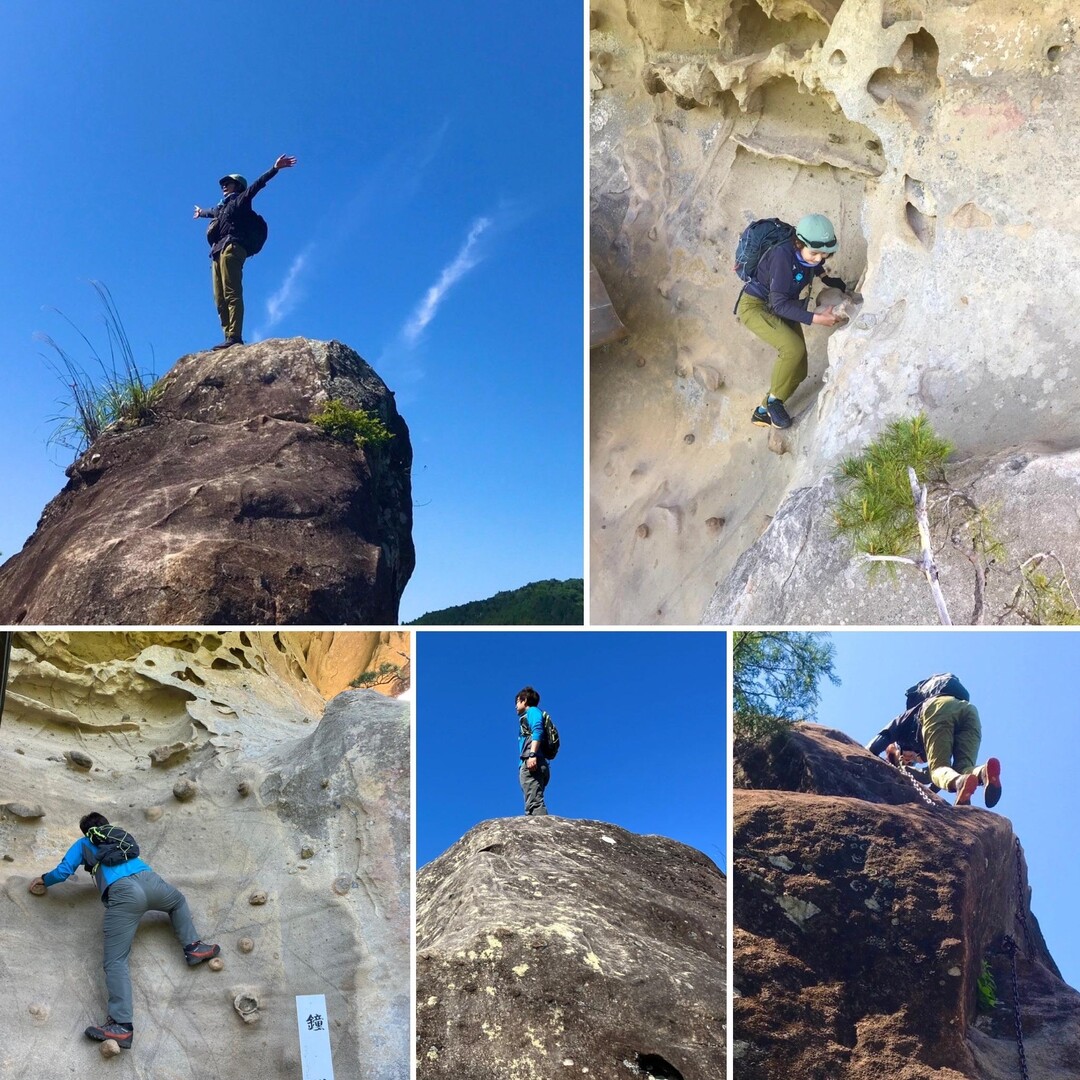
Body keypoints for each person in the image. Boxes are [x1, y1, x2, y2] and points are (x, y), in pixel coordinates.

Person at [29, 812, 220, 1050]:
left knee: (115, 961)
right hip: (151, 881)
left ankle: (121, 1025)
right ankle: (193, 947)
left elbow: (63, 871)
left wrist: (43, 880)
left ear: (85, 831)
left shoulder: (84, 842)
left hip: (123, 894)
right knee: (177, 901)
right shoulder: (118, 836)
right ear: (106, 825)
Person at [735, 213, 847, 430]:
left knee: (799, 369)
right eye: (814, 252)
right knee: (792, 349)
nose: (818, 258)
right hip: (757, 307)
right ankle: (774, 402)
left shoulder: (806, 255)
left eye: (824, 254)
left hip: (784, 305)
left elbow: (811, 264)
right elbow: (778, 305)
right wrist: (815, 318)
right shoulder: (782, 258)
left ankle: (762, 412)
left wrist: (826, 278)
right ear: (798, 243)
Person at [193, 154, 297, 350]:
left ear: (238, 186)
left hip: (232, 248)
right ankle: (228, 337)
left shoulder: (240, 201)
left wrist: (274, 169)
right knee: (219, 298)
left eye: (229, 183)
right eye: (223, 184)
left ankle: (235, 336)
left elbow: (256, 186)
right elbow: (211, 212)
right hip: (216, 252)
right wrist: (200, 213)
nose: (224, 186)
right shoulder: (222, 208)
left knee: (232, 292)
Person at [867, 693, 1002, 807]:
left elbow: (881, 738)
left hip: (936, 708)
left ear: (897, 749)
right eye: (910, 763)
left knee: (939, 768)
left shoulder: (904, 723)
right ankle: (983, 772)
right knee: (962, 768)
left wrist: (864, 752)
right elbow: (932, 776)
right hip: (968, 711)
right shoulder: (924, 751)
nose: (909, 761)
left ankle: (960, 782)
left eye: (904, 759)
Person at [515, 686, 550, 816]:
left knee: (535, 804)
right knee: (531, 802)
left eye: (518, 701)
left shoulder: (533, 711)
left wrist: (532, 754)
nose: (515, 706)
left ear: (525, 701)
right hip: (534, 762)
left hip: (533, 761)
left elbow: (538, 730)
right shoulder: (527, 716)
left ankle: (543, 834)